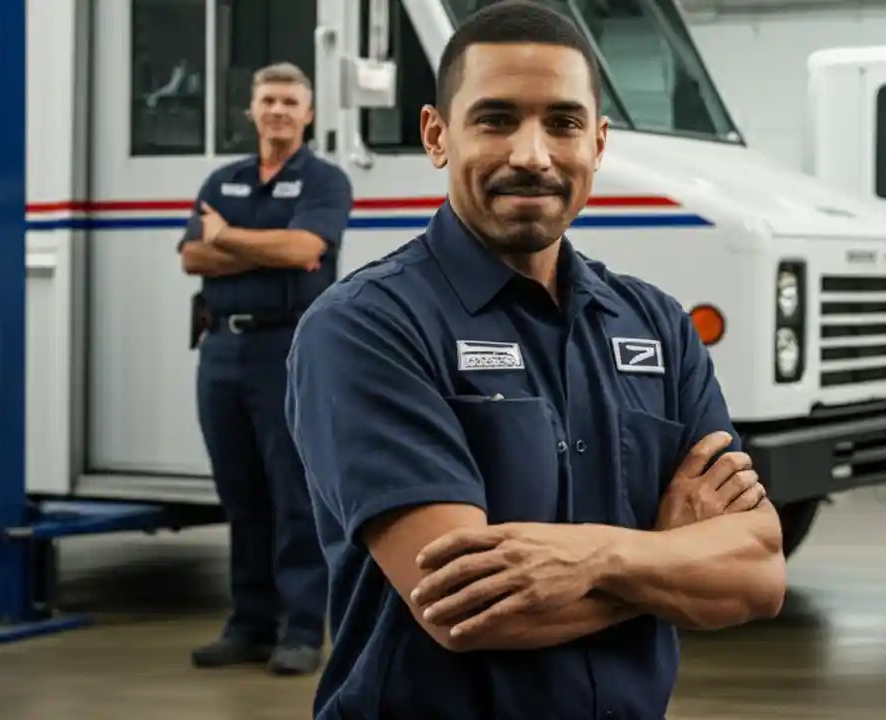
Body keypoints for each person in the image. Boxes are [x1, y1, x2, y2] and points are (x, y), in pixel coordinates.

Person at [283, 2, 786, 717]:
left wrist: (598, 558)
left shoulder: (658, 325)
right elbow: (467, 610)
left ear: (598, 142)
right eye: (495, 119)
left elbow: (759, 576)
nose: (532, 155)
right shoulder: (366, 328)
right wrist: (671, 556)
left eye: (563, 122)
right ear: (437, 135)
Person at [177, 61, 354, 676]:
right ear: (251, 111)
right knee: (240, 493)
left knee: (294, 494)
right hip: (221, 351)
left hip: (289, 351)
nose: (277, 110)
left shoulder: (325, 181)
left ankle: (304, 629)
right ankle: (249, 625)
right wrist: (256, 246)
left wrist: (230, 239)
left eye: (289, 101)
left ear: (308, 114)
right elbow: (191, 257)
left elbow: (307, 248)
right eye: (267, 100)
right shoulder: (221, 180)